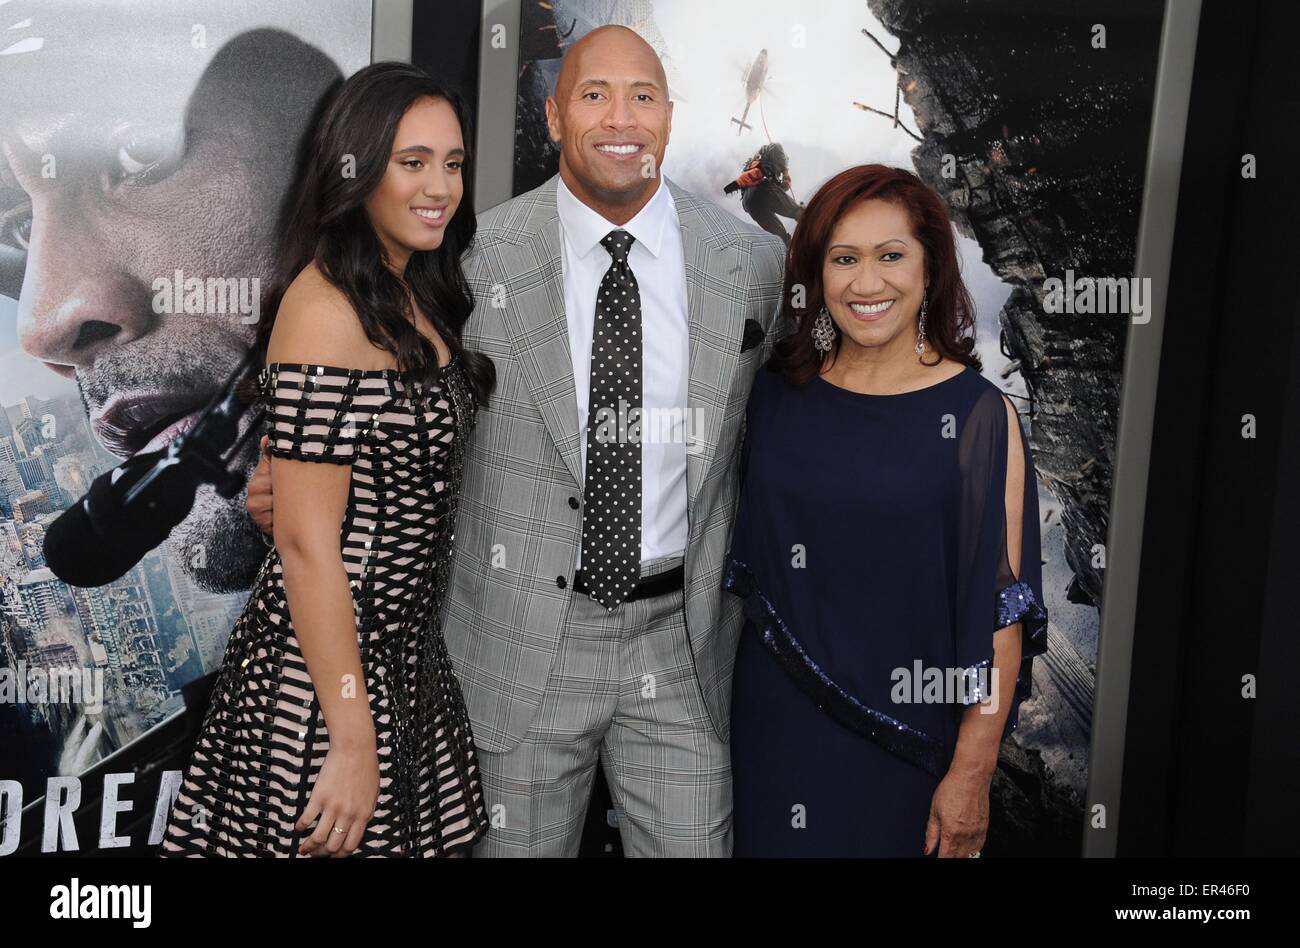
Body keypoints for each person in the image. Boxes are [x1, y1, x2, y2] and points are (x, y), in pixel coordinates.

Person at [247, 25, 787, 856]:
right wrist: (294, 478)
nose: (621, 118)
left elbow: (797, 420)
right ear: (555, 115)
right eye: (593, 94)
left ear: (669, 120)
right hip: (515, 647)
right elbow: (379, 407)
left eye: (642, 97)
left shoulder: (750, 263)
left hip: (684, 649)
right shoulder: (463, 256)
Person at [160, 62, 495, 857]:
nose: (439, 186)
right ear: (358, 164)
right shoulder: (326, 309)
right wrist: (350, 738)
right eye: (412, 162)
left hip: (400, 665)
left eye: (452, 163)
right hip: (323, 689)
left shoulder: (409, 286)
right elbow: (309, 545)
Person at [724, 164, 1049, 857]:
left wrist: (972, 772)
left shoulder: (977, 417)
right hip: (769, 730)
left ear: (930, 269)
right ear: (816, 275)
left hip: (907, 750)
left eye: (891, 256)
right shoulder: (775, 397)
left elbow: (1003, 615)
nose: (866, 284)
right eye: (843, 259)